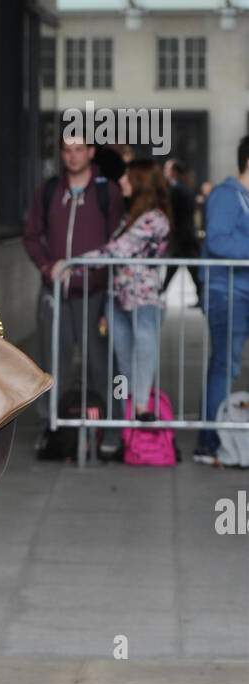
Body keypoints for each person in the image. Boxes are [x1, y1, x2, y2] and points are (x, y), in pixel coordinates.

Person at [23, 136, 125, 457]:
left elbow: (118, 241)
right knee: (52, 363)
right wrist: (46, 266)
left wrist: (107, 283)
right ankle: (49, 429)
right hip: (56, 292)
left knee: (102, 364)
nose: (73, 156)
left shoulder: (108, 192)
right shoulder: (50, 190)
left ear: (91, 152)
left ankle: (112, 433)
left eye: (80, 149)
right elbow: (31, 235)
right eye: (67, 150)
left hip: (95, 294)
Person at [71, 160, 171, 428]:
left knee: (143, 353)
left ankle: (141, 409)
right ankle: (129, 419)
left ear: (141, 182)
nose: (122, 182)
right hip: (118, 299)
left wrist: (72, 265)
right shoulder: (132, 216)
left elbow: (117, 250)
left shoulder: (155, 219)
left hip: (144, 300)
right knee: (125, 360)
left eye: (127, 177)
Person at [194, 136, 249, 465]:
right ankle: (210, 442)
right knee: (225, 365)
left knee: (225, 364)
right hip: (227, 293)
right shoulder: (226, 197)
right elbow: (217, 240)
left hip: (241, 291)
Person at [162, 157, 201, 299]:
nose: (164, 172)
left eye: (167, 169)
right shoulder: (182, 187)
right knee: (190, 270)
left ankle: (161, 291)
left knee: (191, 270)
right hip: (185, 237)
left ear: (173, 172)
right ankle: (201, 295)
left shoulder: (176, 189)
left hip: (182, 238)